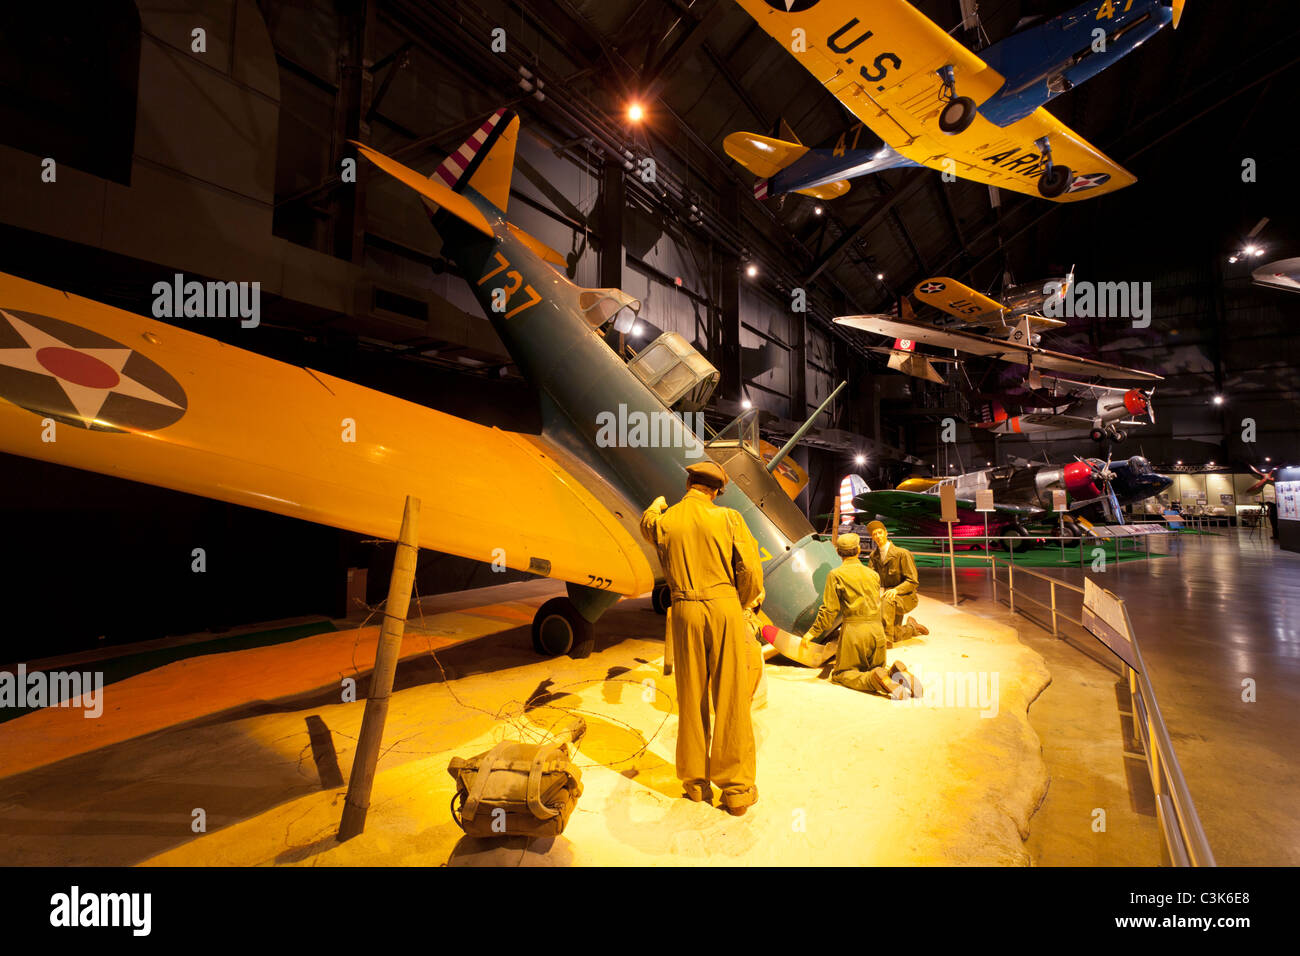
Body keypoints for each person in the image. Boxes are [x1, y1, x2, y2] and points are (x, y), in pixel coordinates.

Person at [640, 460, 763, 816]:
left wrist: (656, 503)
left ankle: (695, 785)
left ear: (689, 483)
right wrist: (735, 602)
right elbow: (751, 572)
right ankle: (737, 791)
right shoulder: (728, 519)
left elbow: (647, 524)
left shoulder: (665, 521)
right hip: (723, 606)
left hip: (683, 609)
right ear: (716, 491)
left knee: (690, 694)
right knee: (730, 696)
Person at [805, 532, 921, 698]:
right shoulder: (873, 575)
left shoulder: (836, 575)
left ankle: (873, 681)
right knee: (876, 668)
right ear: (859, 550)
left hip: (855, 633)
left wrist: (811, 633)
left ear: (838, 552)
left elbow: (830, 610)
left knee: (842, 674)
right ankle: (895, 673)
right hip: (877, 632)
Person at [865, 520, 928, 646]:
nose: (877, 536)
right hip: (887, 598)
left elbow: (912, 581)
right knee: (896, 634)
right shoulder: (874, 556)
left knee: (888, 600)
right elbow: (871, 578)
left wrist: (896, 590)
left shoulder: (902, 554)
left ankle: (886, 638)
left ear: (886, 533)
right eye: (874, 534)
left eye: (880, 532)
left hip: (905, 597)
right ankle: (912, 627)